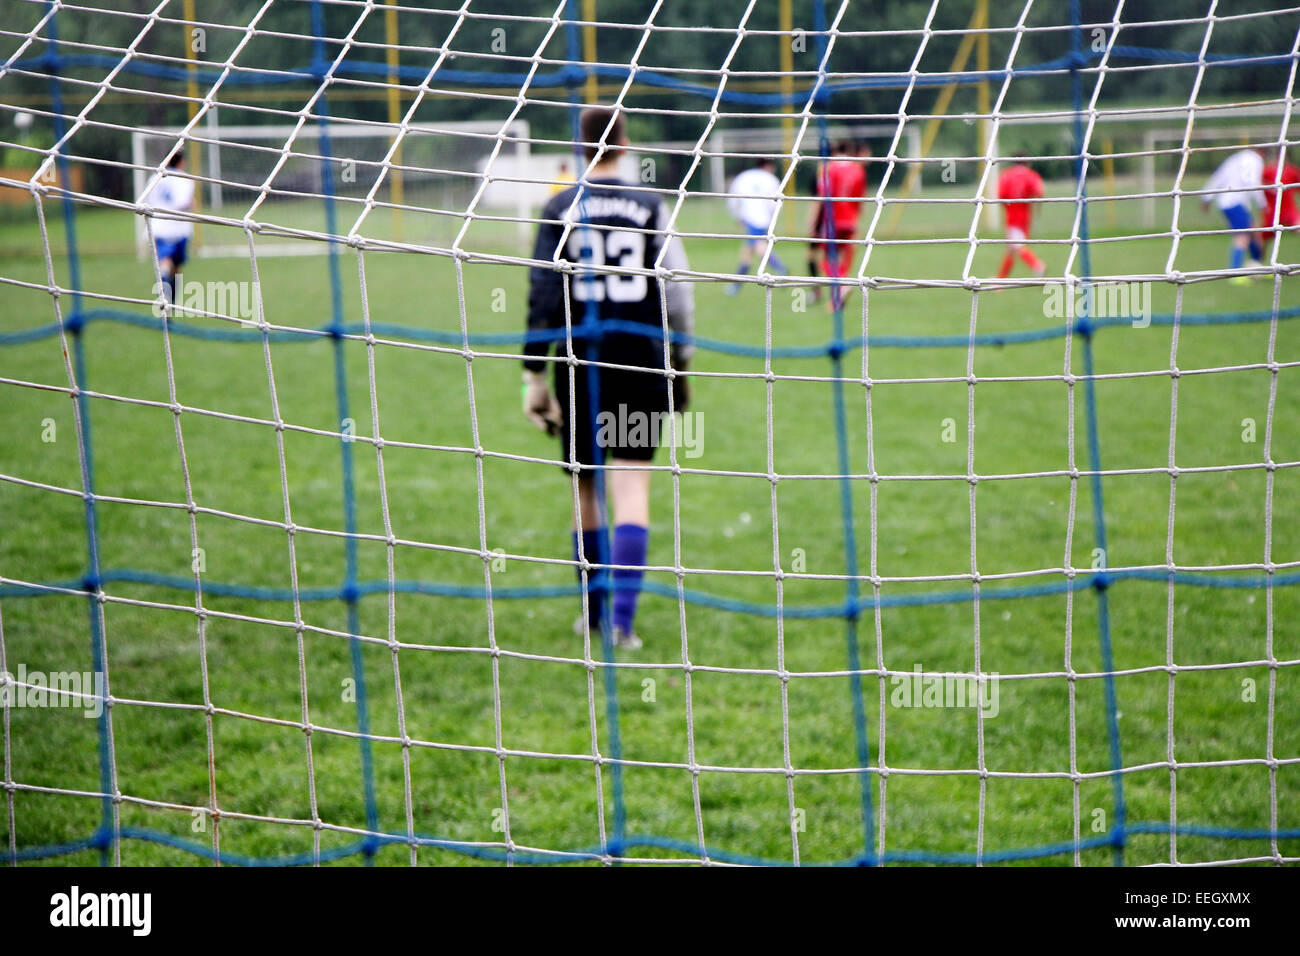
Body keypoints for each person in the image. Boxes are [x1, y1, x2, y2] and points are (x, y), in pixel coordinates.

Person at [522, 106, 695, 651]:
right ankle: (622, 622)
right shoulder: (650, 204)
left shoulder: (559, 206)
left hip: (581, 362)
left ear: (579, 145)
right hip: (642, 359)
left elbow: (544, 293)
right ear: (625, 142)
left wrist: (534, 375)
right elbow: (678, 289)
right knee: (632, 488)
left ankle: (594, 615)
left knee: (586, 488)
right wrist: (681, 358)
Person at [808, 140, 867, 304]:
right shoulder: (858, 169)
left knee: (823, 258)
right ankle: (840, 291)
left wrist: (813, 222)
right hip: (851, 220)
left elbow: (822, 196)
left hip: (832, 220)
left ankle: (842, 284)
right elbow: (860, 199)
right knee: (845, 254)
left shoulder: (828, 169)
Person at [725, 157, 788, 295]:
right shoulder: (771, 179)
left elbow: (733, 197)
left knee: (755, 248)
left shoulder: (744, 176)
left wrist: (736, 215)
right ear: (768, 166)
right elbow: (776, 202)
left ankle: (780, 269)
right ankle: (736, 286)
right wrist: (772, 219)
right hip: (762, 218)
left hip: (749, 218)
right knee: (749, 250)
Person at [1201, 147, 1264, 282]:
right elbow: (1253, 182)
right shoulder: (1256, 160)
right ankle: (1235, 274)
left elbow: (1219, 176)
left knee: (1254, 230)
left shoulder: (1234, 158)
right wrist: (1262, 204)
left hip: (1228, 202)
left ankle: (1258, 267)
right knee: (1242, 237)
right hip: (1234, 203)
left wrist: (1207, 198)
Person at [141, 149, 195, 303]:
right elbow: (181, 203)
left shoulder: (154, 178)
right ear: (181, 162)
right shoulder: (184, 180)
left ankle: (164, 291)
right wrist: (191, 203)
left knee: (165, 263)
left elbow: (148, 199)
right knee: (176, 269)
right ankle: (170, 301)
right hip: (178, 229)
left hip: (157, 227)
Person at [995, 156, 1046, 279]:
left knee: (1016, 247)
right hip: (1025, 216)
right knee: (1012, 248)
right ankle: (1000, 280)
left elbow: (1001, 196)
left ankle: (1037, 265)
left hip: (1012, 216)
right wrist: (1037, 209)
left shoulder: (1006, 175)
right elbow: (1039, 192)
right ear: (1027, 162)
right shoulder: (1031, 175)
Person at [1259, 146, 1299, 255]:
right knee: (1263, 239)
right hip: (1273, 211)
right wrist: (1269, 187)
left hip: (1289, 209)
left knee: (1298, 226)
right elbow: (1259, 182)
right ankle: (1257, 261)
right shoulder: (1269, 170)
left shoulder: (1292, 171)